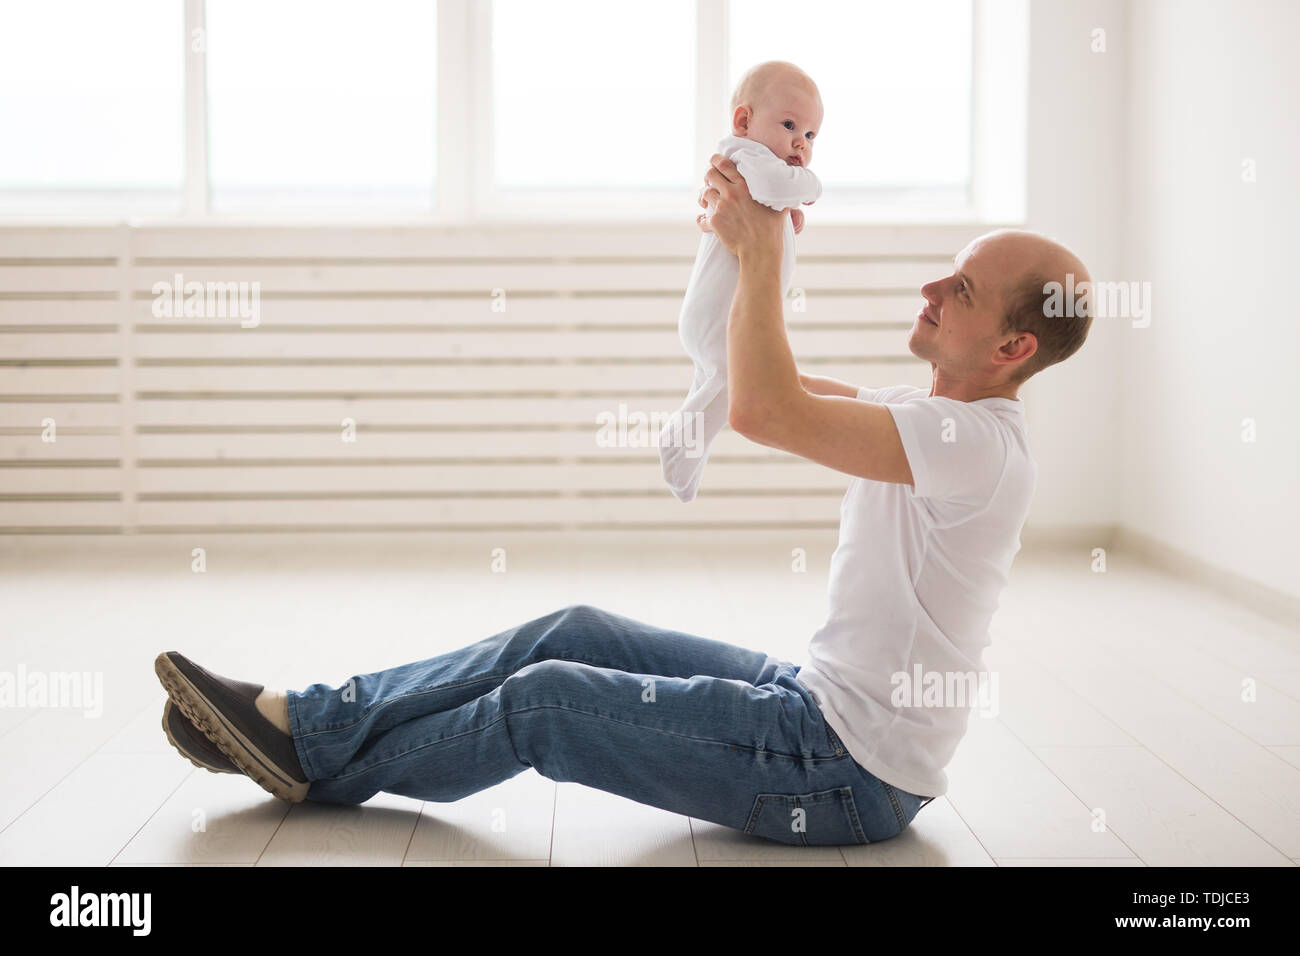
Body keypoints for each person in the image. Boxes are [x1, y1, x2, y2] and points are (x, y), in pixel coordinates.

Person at [154, 155, 1093, 848]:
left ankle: (309, 763)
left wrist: (764, 251)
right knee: (576, 628)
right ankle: (304, 719)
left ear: (1013, 350)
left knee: (548, 703)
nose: (932, 287)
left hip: (846, 773)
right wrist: (744, 246)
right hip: (818, 706)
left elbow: (766, 412)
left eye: (961, 289)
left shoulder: (977, 447)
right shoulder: (927, 416)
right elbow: (755, 382)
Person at [660, 60, 822, 502]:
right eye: (789, 124)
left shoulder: (752, 169)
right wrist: (809, 186)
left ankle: (688, 451)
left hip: (712, 314)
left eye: (810, 136)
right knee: (734, 381)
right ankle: (680, 444)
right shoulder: (749, 157)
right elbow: (778, 186)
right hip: (720, 315)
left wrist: (787, 222)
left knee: (715, 380)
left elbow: (771, 200)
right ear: (744, 121)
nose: (800, 143)